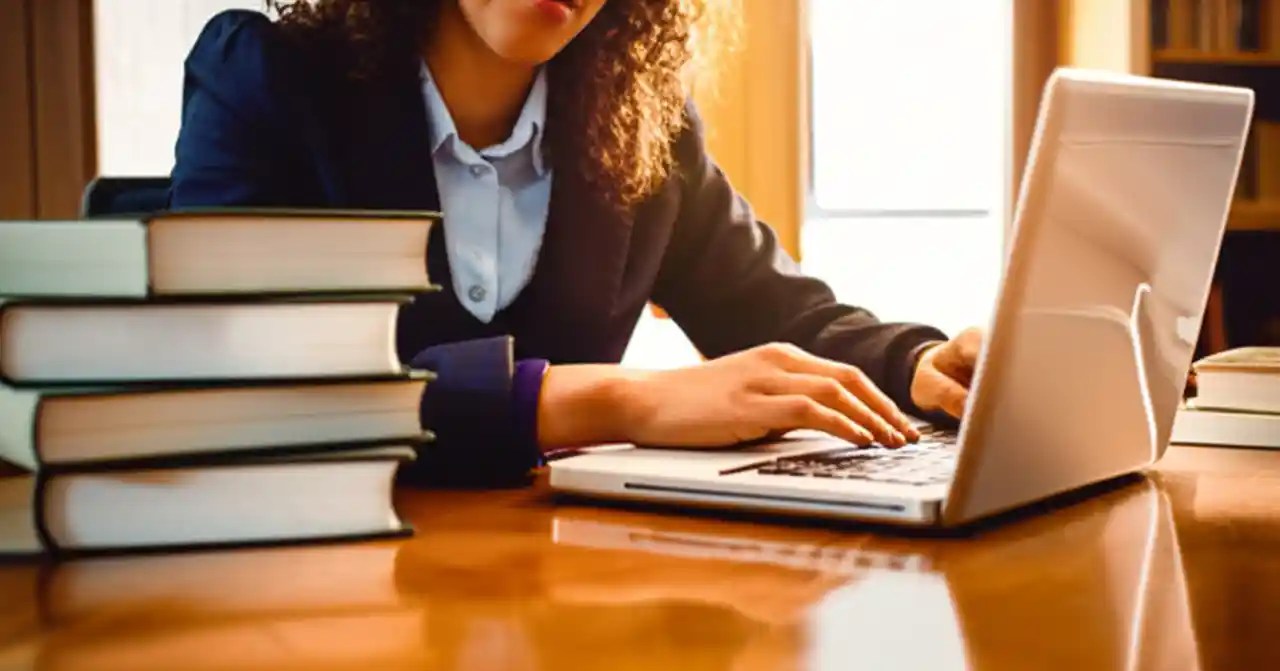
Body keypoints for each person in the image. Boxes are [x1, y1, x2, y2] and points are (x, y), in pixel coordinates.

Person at [172, 0, 983, 478]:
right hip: (320, 614)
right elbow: (232, 374)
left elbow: (777, 313)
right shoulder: (267, 75)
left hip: (560, 597)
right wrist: (610, 400)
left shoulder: (641, 132)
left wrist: (917, 365)